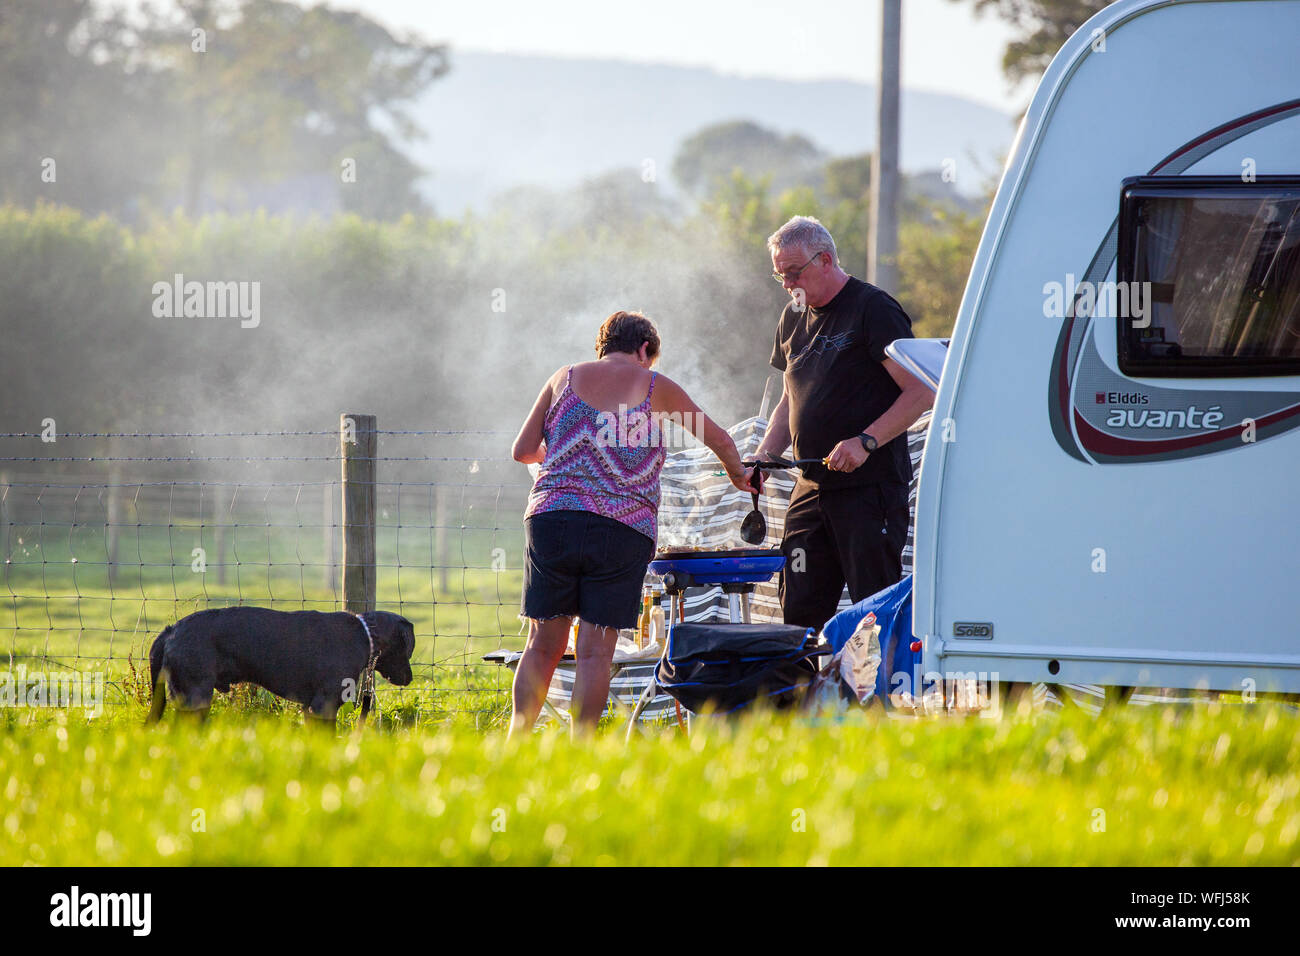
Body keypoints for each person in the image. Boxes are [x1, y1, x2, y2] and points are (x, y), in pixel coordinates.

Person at [510, 310, 755, 739]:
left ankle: (514, 739)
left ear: (604, 345)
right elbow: (716, 437)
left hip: (552, 521)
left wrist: (564, 464)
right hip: (621, 531)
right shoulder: (656, 387)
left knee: (542, 646)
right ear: (645, 349)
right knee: (594, 654)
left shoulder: (562, 377)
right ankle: (580, 747)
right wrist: (739, 476)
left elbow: (523, 450)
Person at [747, 216, 933, 631]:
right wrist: (763, 456)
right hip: (810, 490)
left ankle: (882, 696)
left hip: (869, 492)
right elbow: (788, 399)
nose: (787, 285)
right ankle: (803, 697)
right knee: (799, 612)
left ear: (826, 259)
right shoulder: (792, 316)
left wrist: (865, 441)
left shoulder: (873, 309)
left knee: (875, 612)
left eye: (793, 273)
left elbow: (922, 392)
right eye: (780, 276)